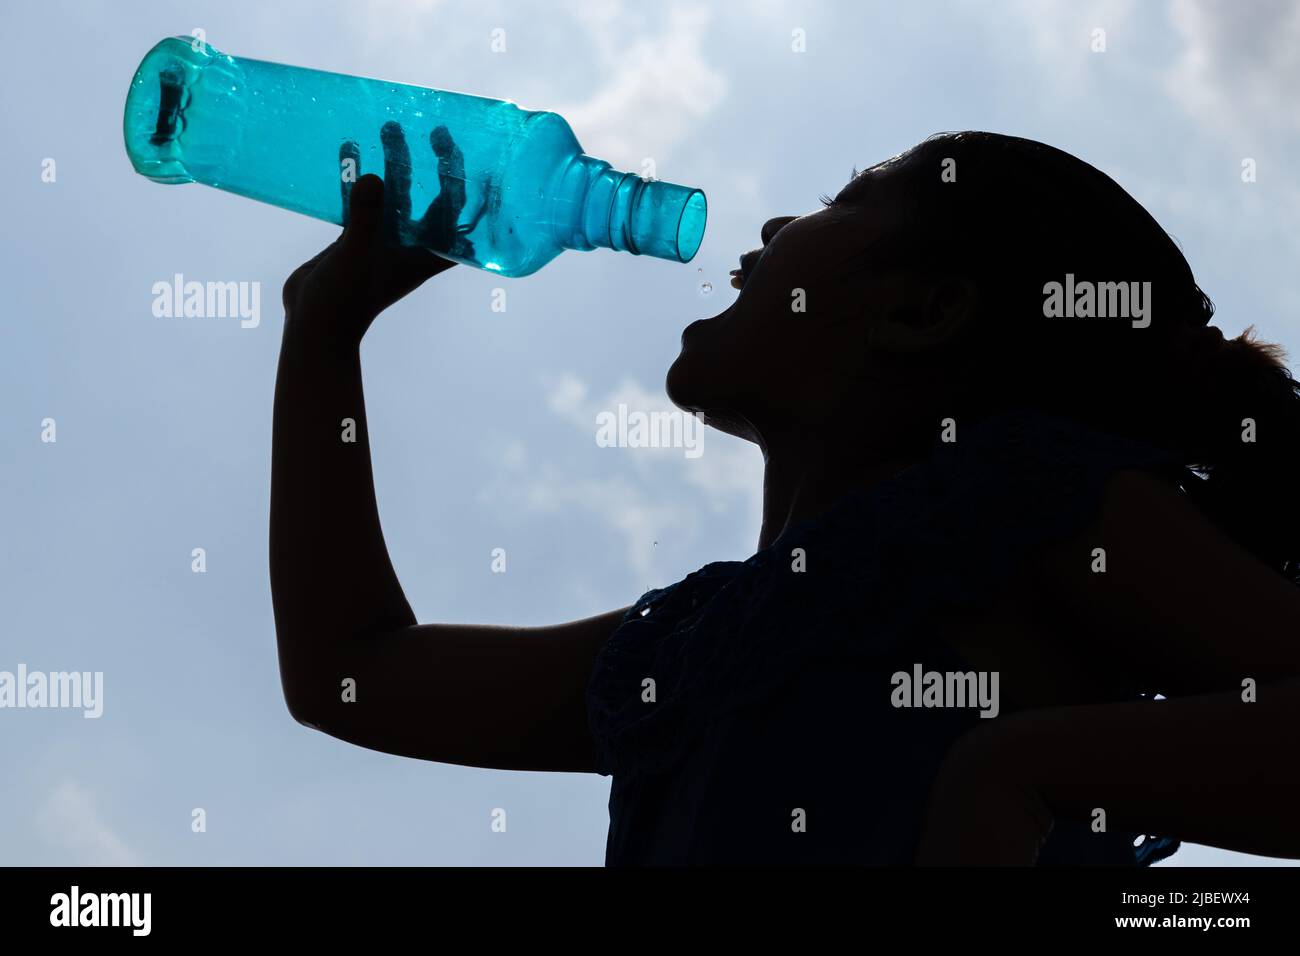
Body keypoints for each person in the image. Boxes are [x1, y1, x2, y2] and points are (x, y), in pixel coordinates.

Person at [270, 130, 1300, 865]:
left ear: (921, 310)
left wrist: (1018, 768)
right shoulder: (685, 645)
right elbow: (353, 673)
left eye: (845, 199)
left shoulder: (1029, 503)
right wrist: (324, 327)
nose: (771, 222)